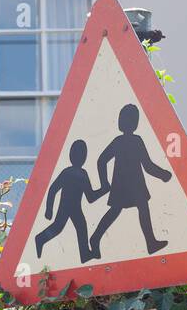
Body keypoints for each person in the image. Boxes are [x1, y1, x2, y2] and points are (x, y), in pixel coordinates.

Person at [88, 103, 173, 259]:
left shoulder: (120, 141)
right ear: (135, 122)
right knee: (124, 210)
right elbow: (147, 166)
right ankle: (96, 238)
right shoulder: (134, 141)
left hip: (127, 185)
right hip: (131, 185)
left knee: (133, 209)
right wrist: (163, 175)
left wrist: (104, 183)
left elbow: (101, 161)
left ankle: (150, 242)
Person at [35, 139, 97, 262]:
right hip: (66, 206)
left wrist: (105, 190)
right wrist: (49, 209)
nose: (81, 157)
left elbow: (90, 197)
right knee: (59, 228)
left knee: (80, 227)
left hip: (75, 207)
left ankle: (84, 254)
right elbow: (53, 189)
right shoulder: (69, 173)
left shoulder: (82, 174)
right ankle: (40, 238)